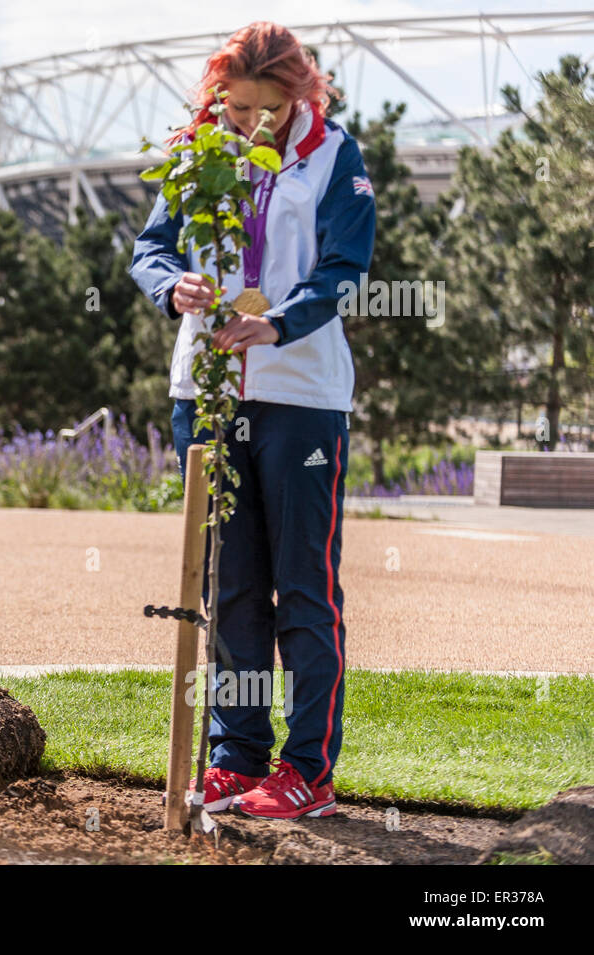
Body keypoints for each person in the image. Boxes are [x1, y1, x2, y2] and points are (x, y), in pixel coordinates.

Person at [130, 22, 375, 820]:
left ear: (301, 93)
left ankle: (308, 769)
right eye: (237, 108)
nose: (251, 125)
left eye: (268, 110)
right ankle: (237, 757)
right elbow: (151, 248)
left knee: (304, 584)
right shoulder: (201, 152)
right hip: (205, 391)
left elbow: (345, 265)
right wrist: (174, 286)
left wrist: (280, 323)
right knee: (229, 583)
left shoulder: (336, 154)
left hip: (302, 395)